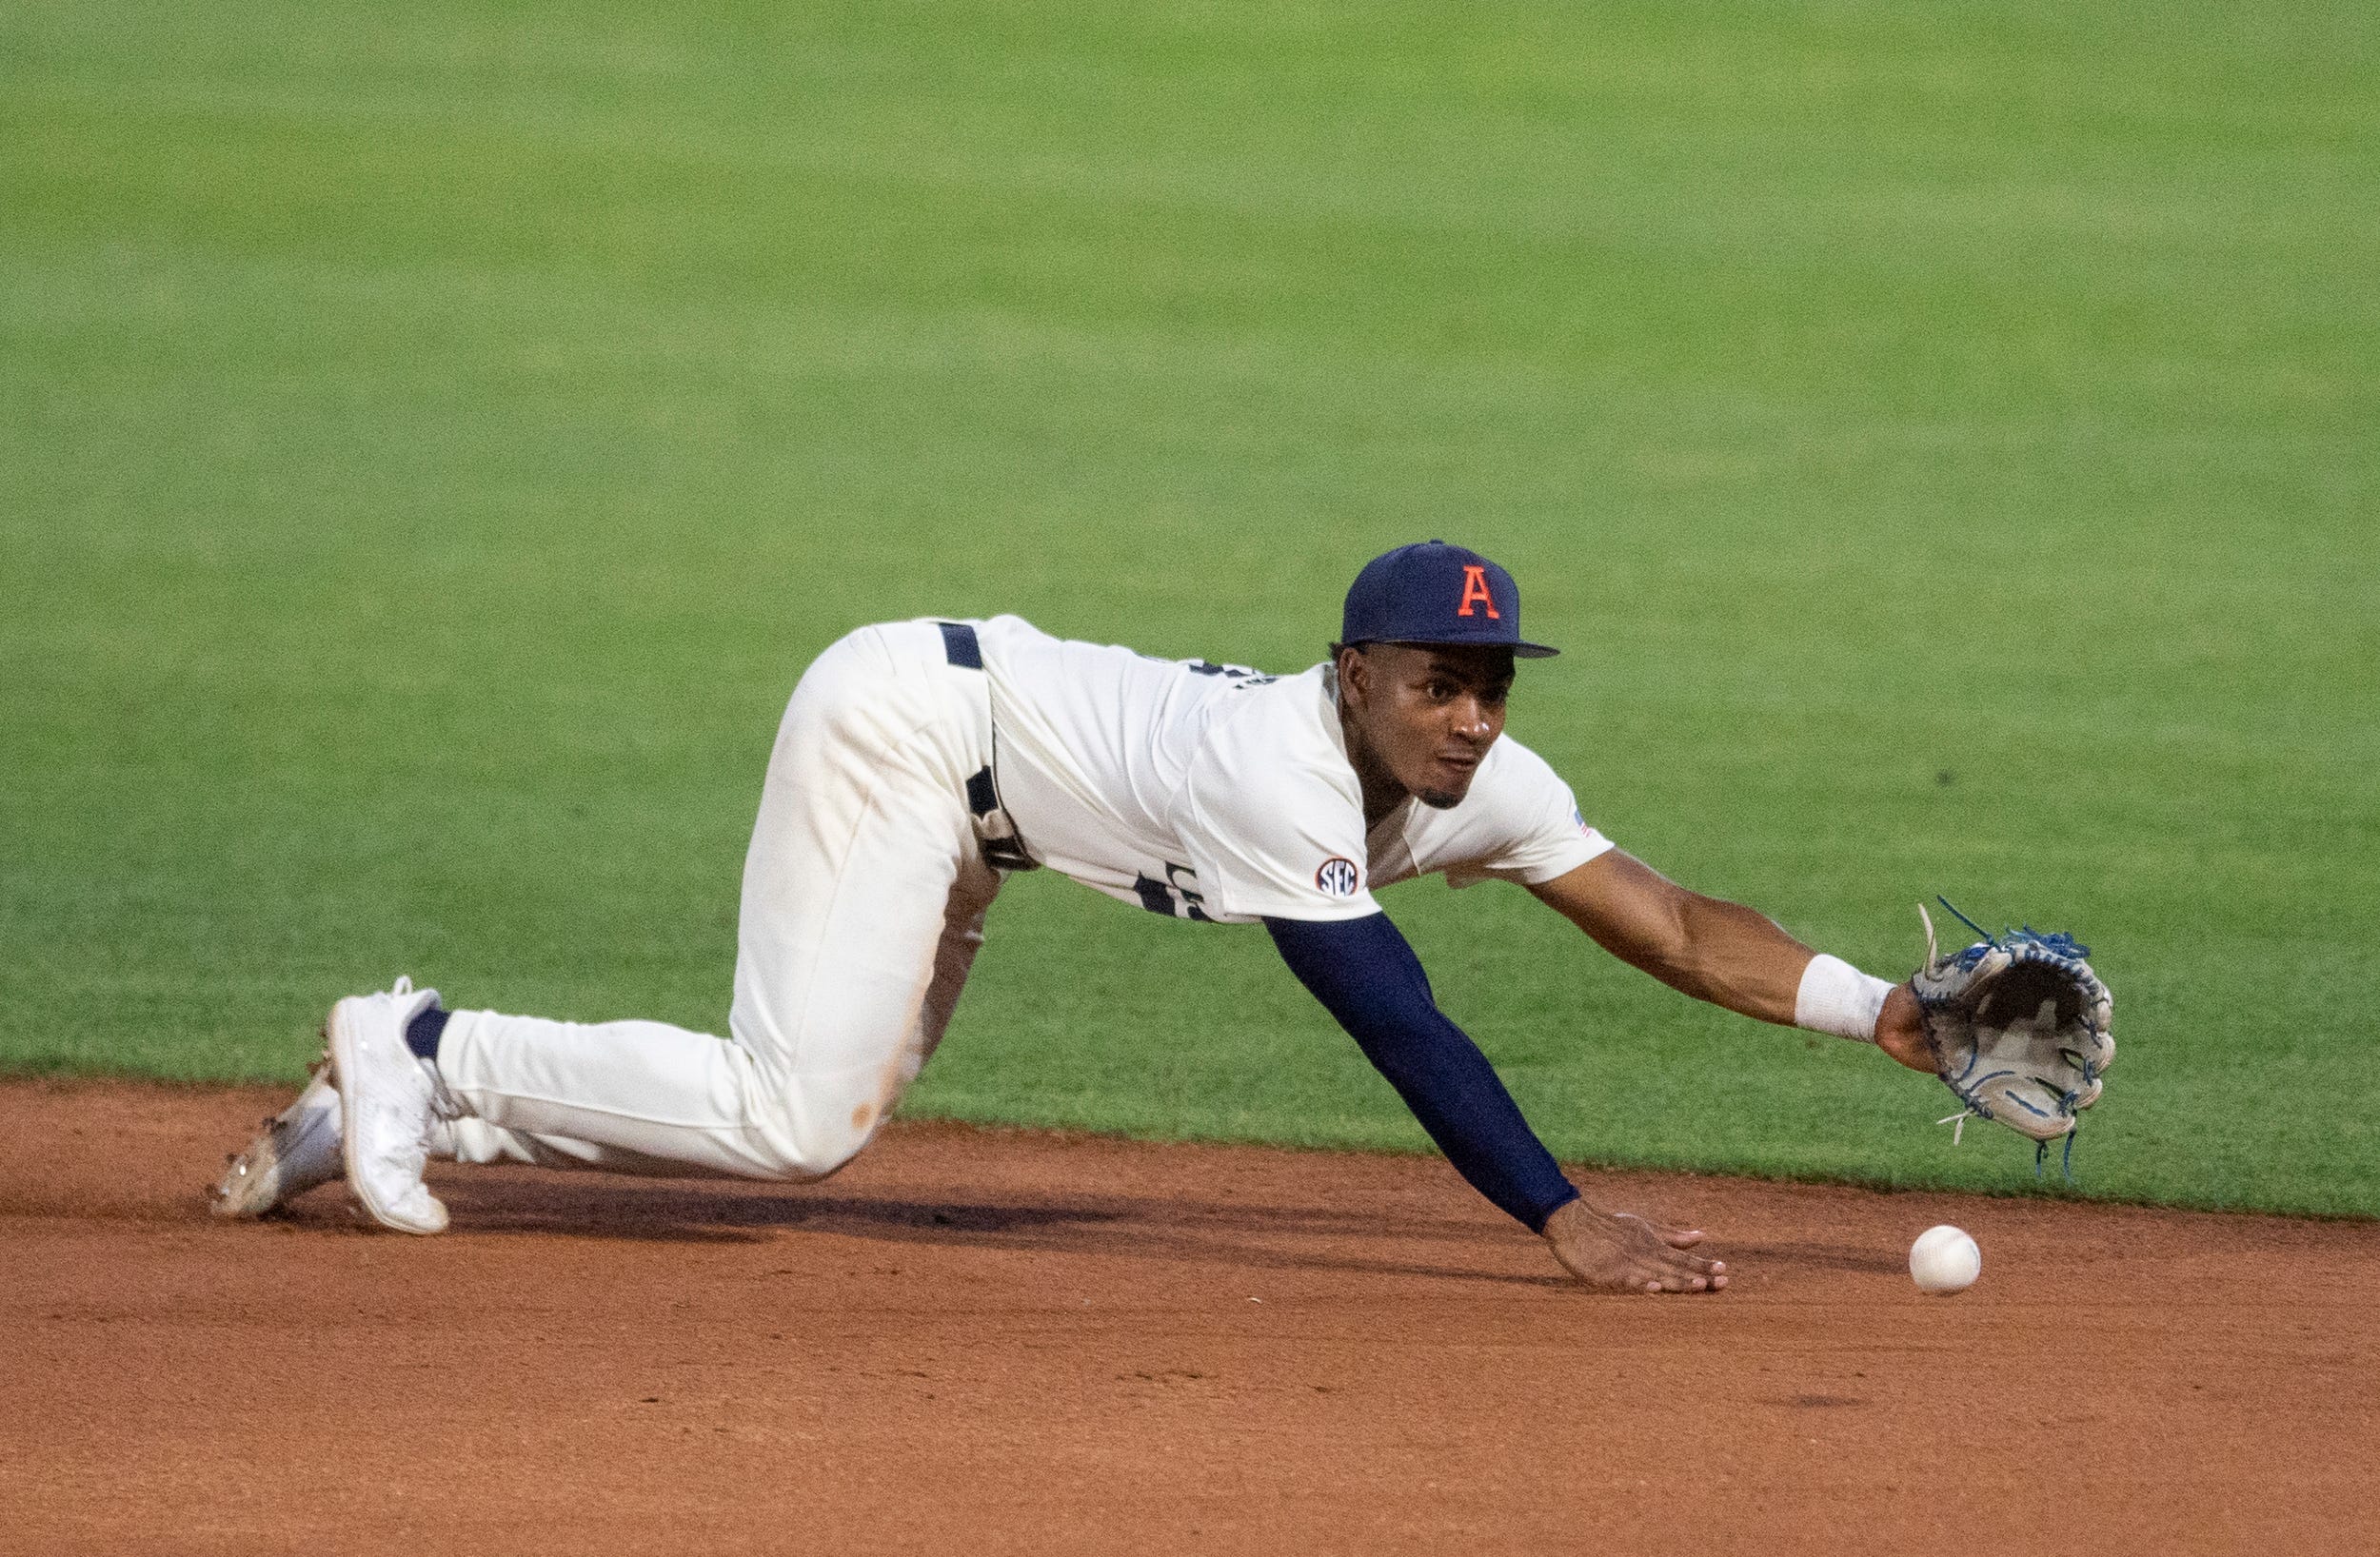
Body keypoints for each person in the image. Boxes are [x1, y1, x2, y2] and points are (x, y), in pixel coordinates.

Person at [212, 541, 1937, 1293]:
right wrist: (1560, 1218)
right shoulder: (1286, 768)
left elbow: (1675, 923)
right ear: (1357, 674)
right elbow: (1396, 1019)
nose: (1471, 717)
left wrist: (1887, 1011)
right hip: (909, 728)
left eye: (1489, 685)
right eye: (1438, 682)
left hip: (982, 800)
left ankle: (400, 1096)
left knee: (809, 1108)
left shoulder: (1489, 779)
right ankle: (421, 1048)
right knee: (796, 1119)